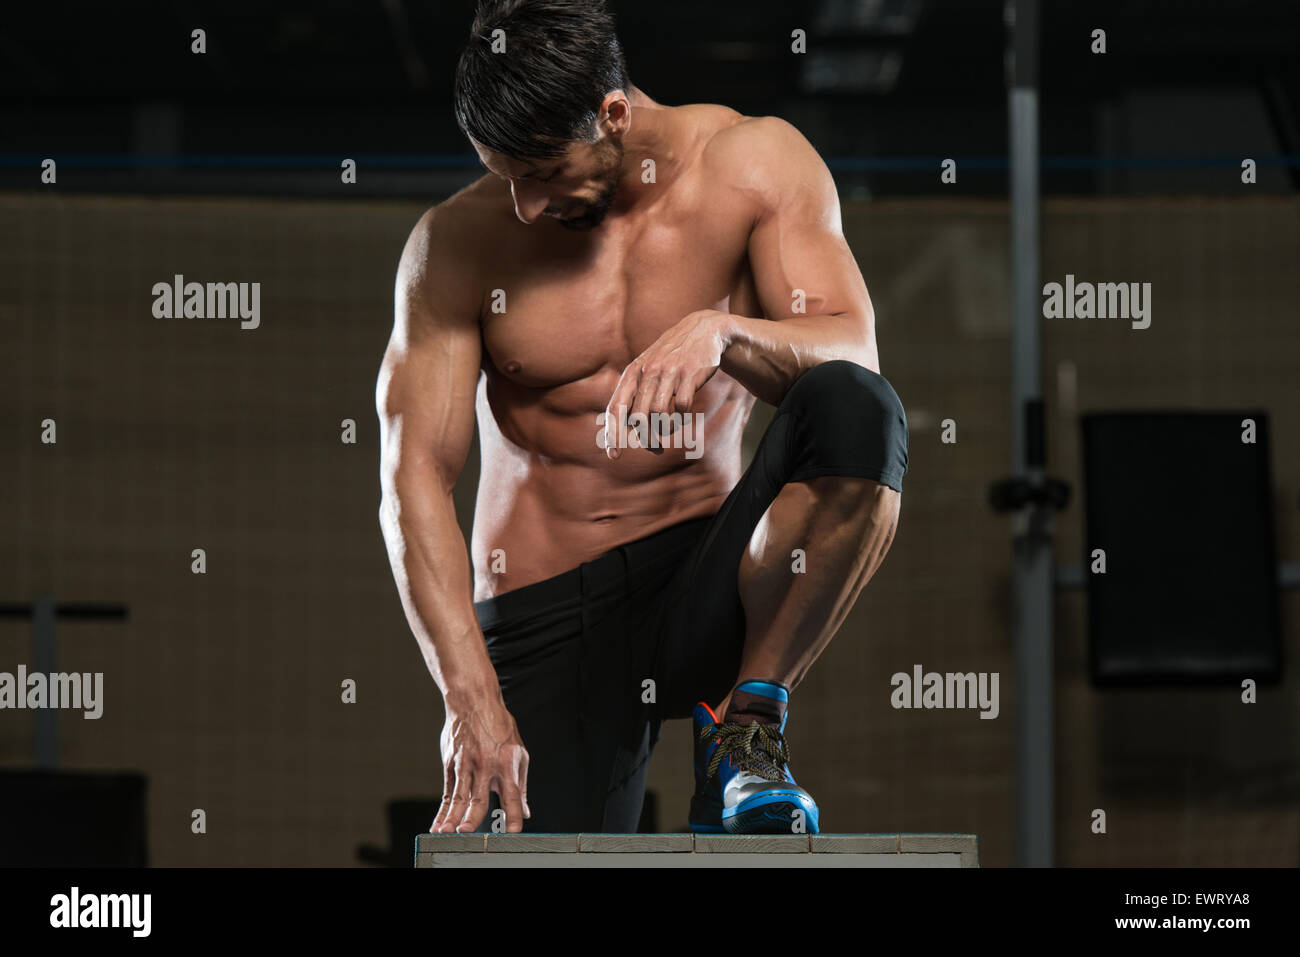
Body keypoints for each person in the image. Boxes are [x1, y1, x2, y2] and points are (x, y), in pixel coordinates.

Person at [376, 0, 907, 836]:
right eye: (505, 175)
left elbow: (853, 352)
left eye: (543, 174)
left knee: (856, 407)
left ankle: (745, 733)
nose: (522, 205)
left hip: (705, 579)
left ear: (613, 113)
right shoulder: (456, 243)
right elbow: (412, 480)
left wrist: (725, 331)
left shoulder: (753, 166)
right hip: (544, 605)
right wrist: (468, 698)